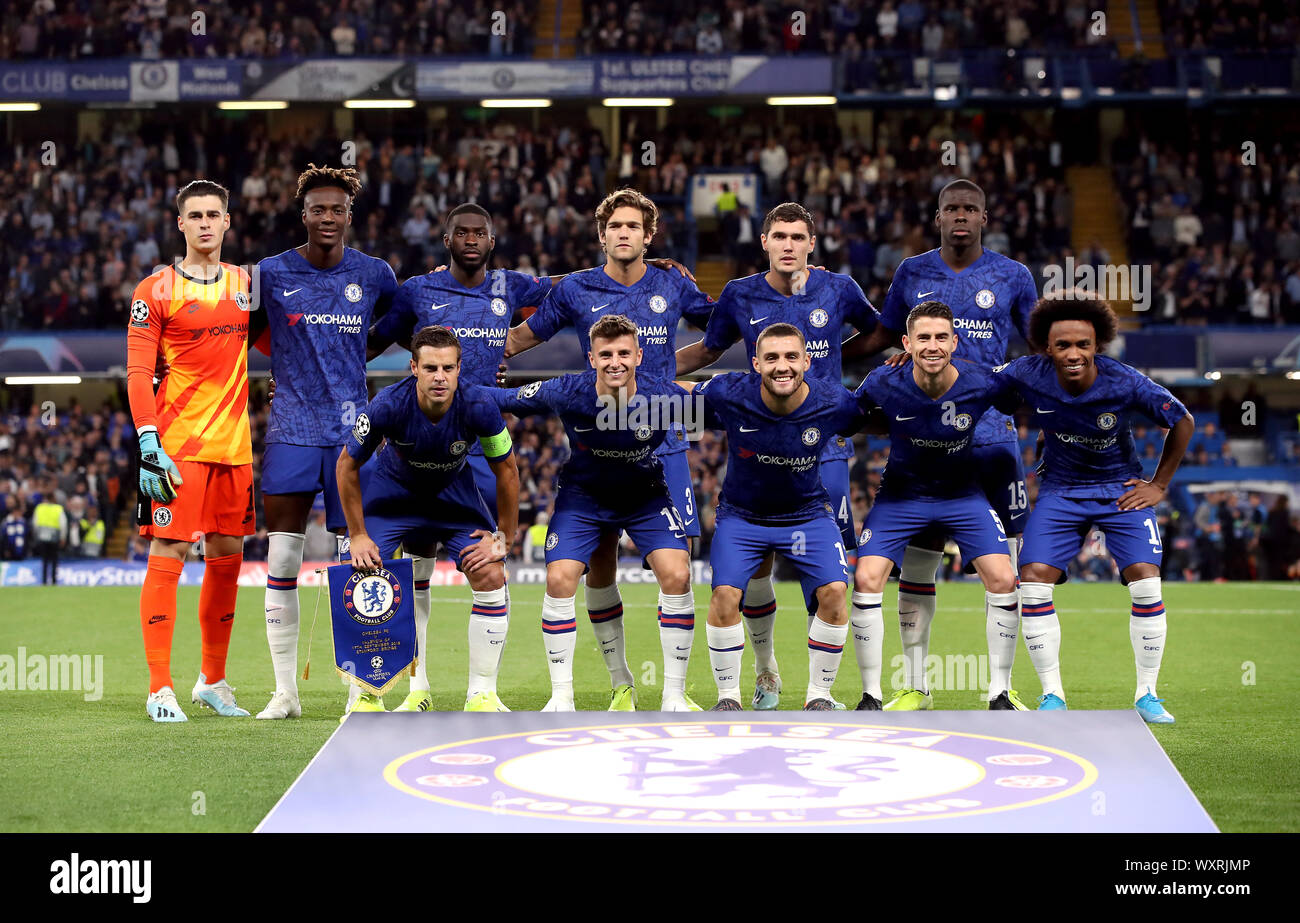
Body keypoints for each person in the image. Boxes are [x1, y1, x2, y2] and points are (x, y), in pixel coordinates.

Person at [504, 189, 714, 708]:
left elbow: (723, 331)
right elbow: (522, 338)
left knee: (676, 566)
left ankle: (674, 692)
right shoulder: (577, 289)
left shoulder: (673, 282)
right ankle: (621, 681)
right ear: (602, 235)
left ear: (649, 234)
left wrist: (669, 372)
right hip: (597, 445)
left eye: (633, 226)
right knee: (596, 567)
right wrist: (472, 357)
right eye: (614, 226)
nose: (623, 233)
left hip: (662, 440)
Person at [677, 201, 886, 710]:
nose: (789, 245)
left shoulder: (838, 290)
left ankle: (840, 690)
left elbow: (876, 333)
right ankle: (766, 668)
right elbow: (707, 349)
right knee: (756, 567)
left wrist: (839, 362)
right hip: (760, 438)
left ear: (811, 244)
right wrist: (647, 374)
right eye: (780, 236)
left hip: (825, 447)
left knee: (830, 581)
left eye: (798, 236)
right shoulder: (740, 294)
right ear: (765, 243)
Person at [844, 178, 1038, 711]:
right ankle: (914, 684)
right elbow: (884, 335)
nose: (960, 216)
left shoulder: (1012, 275)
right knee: (920, 563)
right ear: (938, 217)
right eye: (950, 208)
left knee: (1008, 569)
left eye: (969, 208)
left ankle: (1005, 685)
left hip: (992, 437)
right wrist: (815, 362)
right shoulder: (912, 271)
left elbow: (1039, 347)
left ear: (984, 216)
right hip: (924, 444)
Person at [997, 292, 1193, 723]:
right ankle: (1053, 695)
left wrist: (1158, 484)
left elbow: (1182, 420)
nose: (1073, 354)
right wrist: (915, 362)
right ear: (1046, 347)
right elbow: (975, 384)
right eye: (1062, 345)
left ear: (1097, 345)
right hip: (1061, 491)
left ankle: (1147, 694)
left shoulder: (1125, 381)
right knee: (1032, 580)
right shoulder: (1027, 373)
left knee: (1146, 581)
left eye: (1082, 345)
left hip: (1119, 491)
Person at [248, 164, 397, 720]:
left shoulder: (375, 273)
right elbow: (233, 328)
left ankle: (363, 687)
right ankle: (284, 693)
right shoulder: (270, 272)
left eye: (338, 209)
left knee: (357, 560)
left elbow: (409, 319)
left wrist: (360, 349)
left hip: (352, 434)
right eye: (318, 209)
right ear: (303, 214)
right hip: (290, 428)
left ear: (349, 216)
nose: (328, 217)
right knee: (282, 554)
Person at [491, 315, 699, 712]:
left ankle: (673, 694)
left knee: (677, 573)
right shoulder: (568, 391)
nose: (615, 362)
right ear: (591, 358)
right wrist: (450, 390)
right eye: (606, 354)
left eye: (624, 353)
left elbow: (726, 414)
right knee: (559, 577)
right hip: (585, 497)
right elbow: (503, 400)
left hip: (645, 494)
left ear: (639, 356)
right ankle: (570, 695)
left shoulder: (666, 397)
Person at [338, 325, 519, 715]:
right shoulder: (387, 405)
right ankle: (367, 694)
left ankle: (482, 694)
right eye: (431, 367)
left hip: (453, 500)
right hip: (394, 499)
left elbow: (507, 469)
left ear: (459, 369)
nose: (440, 377)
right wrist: (357, 535)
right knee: (362, 575)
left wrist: (503, 537)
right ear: (413, 367)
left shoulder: (478, 406)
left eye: (448, 368)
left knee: (490, 571)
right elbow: (346, 465)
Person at [684, 323, 865, 711]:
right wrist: (625, 386)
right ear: (755, 364)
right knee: (724, 596)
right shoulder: (727, 390)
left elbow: (874, 415)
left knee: (835, 593)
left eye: (790, 357)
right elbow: (679, 394)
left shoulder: (837, 401)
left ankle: (819, 695)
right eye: (771, 358)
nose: (782, 366)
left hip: (807, 515)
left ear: (807, 361)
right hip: (742, 517)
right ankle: (729, 698)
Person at [852, 301, 1023, 710]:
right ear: (906, 342)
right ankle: (876, 694)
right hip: (901, 496)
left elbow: (1026, 396)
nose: (932, 346)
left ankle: (1000, 691)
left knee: (1003, 579)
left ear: (955, 341)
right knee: (866, 580)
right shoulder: (883, 380)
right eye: (923, 338)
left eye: (941, 337)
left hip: (962, 495)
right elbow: (851, 415)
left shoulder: (981, 381)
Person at [126, 179, 255, 723]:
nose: (205, 223)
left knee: (227, 562)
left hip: (235, 448)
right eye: (194, 215)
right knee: (168, 558)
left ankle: (214, 681)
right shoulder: (154, 290)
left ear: (228, 222)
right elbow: (137, 372)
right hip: (175, 450)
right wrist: (149, 444)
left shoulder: (247, 285)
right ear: (180, 224)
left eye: (214, 215)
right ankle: (160, 688)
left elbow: (285, 342)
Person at [32, 486, 67, 584]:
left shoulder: (39, 508)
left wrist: (37, 535)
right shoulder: (58, 508)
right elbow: (63, 524)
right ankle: (54, 581)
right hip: (54, 538)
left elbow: (35, 523)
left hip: (42, 537)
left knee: (44, 560)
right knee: (54, 560)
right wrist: (63, 538)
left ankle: (43, 581)